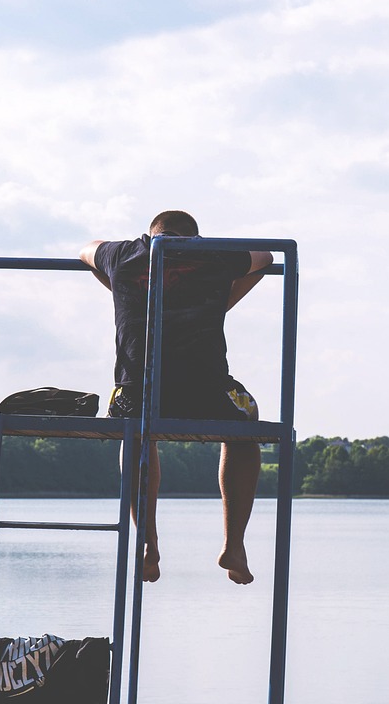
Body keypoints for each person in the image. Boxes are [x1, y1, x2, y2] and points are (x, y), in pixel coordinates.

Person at [79, 211, 273, 585]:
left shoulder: (124, 256)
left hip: (135, 395)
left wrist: (125, 288)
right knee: (247, 426)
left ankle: (148, 543)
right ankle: (234, 544)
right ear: (196, 237)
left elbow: (85, 251)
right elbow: (266, 256)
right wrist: (219, 293)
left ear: (151, 234)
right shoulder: (216, 257)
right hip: (206, 393)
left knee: (134, 431)